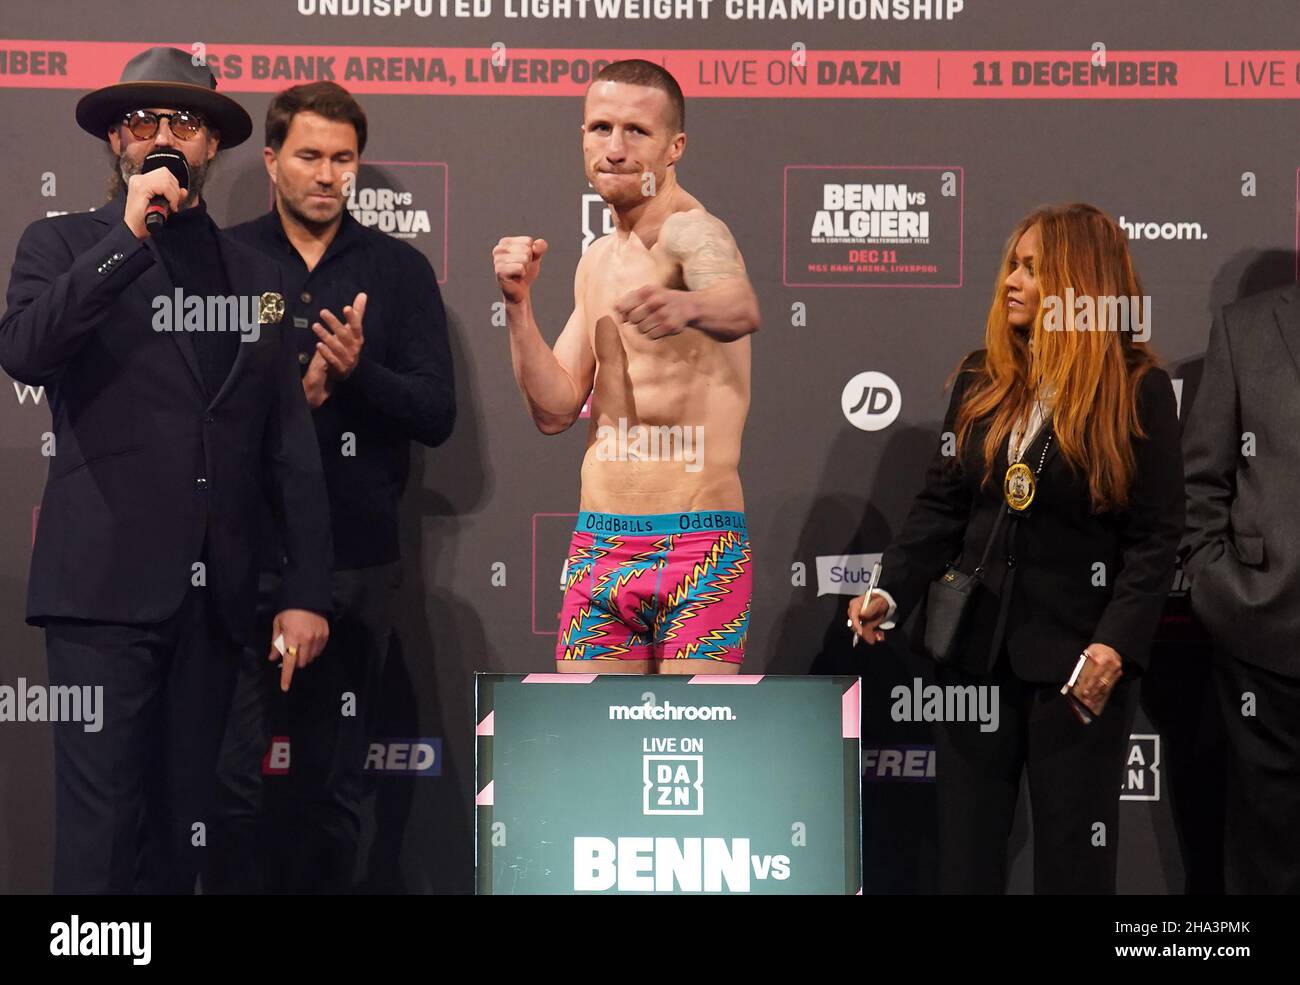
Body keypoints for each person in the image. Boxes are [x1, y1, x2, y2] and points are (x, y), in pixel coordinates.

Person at [0, 47, 332, 893]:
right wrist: (126, 237)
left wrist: (303, 587)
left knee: (190, 832)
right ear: (117, 141)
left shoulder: (257, 277)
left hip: (214, 601)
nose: (162, 136)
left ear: (212, 145)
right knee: (102, 830)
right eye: (142, 121)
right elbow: (29, 354)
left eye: (182, 122)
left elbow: (284, 438)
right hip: (103, 593)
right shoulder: (63, 243)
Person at [847, 203, 1183, 893]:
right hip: (975, 657)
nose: (1012, 281)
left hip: (1078, 668)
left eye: (1034, 268)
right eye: (1012, 265)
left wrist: (1113, 646)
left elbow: (1156, 538)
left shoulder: (1137, 388)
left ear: (1078, 283)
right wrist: (890, 588)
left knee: (1074, 863)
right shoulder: (983, 377)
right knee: (965, 861)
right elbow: (942, 507)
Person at [212, 81, 456, 892]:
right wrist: (289, 394)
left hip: (356, 563)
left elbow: (436, 413)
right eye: (309, 155)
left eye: (342, 158)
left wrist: (359, 373)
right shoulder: (224, 262)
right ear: (273, 159)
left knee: (333, 790)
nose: (326, 173)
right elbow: (193, 414)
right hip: (240, 559)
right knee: (228, 787)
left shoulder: (399, 269)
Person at [493, 60, 760, 675]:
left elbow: (739, 306)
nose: (614, 149)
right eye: (600, 128)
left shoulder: (696, 233)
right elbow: (556, 407)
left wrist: (687, 303)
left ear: (675, 147)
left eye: (636, 131)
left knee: (694, 754)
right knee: (594, 761)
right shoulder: (595, 262)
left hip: (699, 546)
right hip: (601, 546)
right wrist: (518, 305)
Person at [1181, 281, 1300, 893]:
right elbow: (1202, 482)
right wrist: (1222, 591)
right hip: (1264, 640)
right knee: (1264, 858)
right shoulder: (1245, 327)